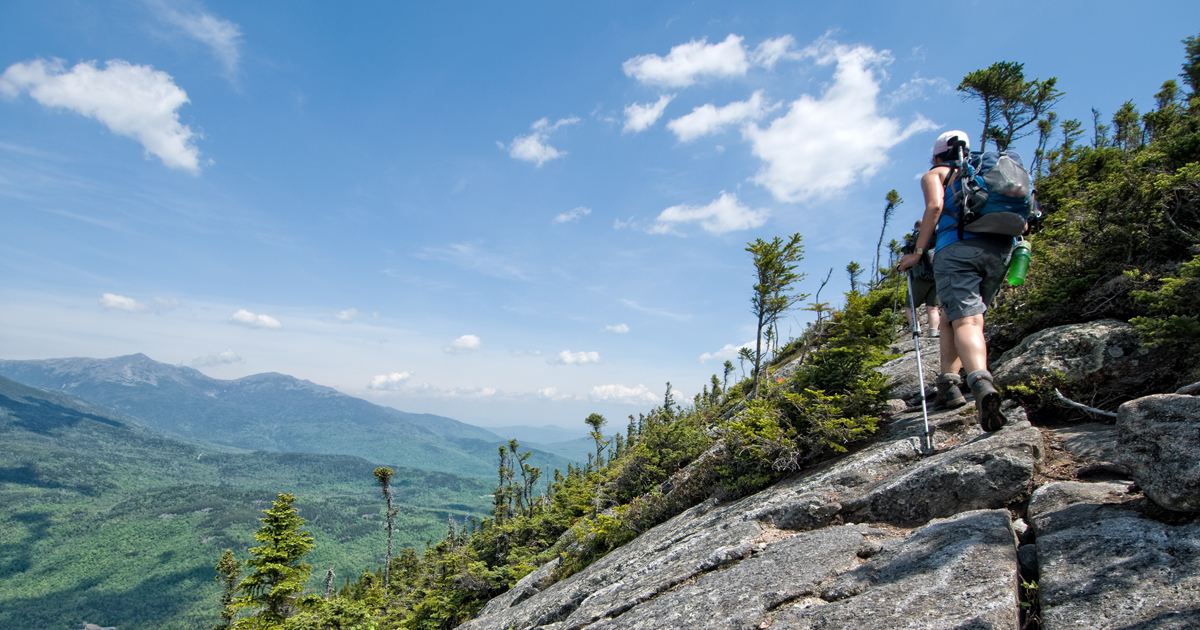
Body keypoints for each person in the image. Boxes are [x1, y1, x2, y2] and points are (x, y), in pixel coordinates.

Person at [898, 130, 1015, 431]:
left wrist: (917, 253)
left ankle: (980, 382)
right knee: (955, 314)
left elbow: (934, 208)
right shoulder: (985, 171)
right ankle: (948, 385)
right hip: (1000, 249)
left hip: (957, 249)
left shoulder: (935, 173)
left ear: (937, 155)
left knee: (966, 321)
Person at [901, 219, 941, 337]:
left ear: (916, 227)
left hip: (922, 276)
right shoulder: (937, 236)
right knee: (933, 306)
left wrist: (901, 266)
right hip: (937, 275)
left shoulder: (917, 237)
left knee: (910, 305)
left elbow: (909, 258)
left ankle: (916, 329)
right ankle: (933, 330)